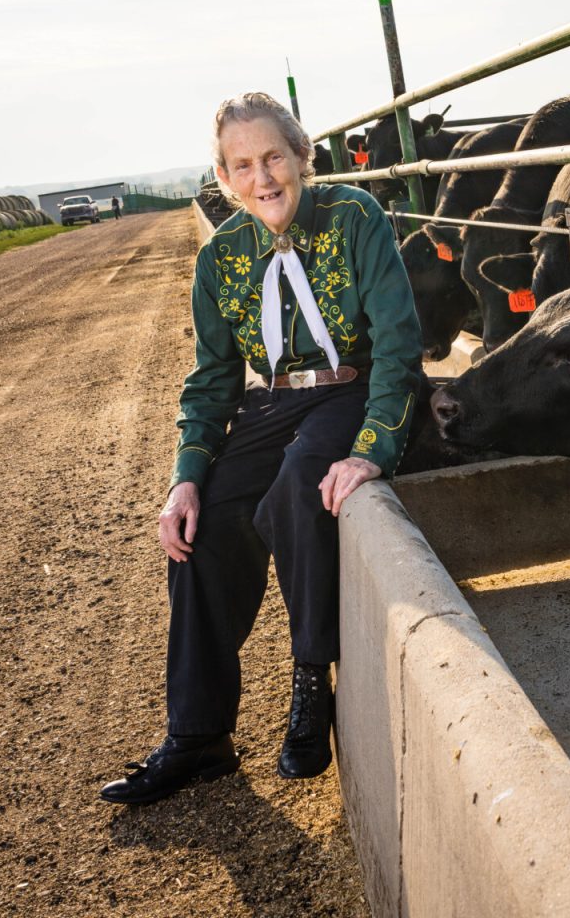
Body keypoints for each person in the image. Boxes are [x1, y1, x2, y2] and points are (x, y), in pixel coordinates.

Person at [101, 92, 426, 805]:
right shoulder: (220, 258)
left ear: (303, 157)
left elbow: (400, 343)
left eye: (273, 156)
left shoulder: (354, 218)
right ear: (224, 179)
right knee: (203, 523)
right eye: (242, 165)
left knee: (303, 479)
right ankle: (198, 735)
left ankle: (312, 679)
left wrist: (373, 446)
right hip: (274, 397)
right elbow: (212, 379)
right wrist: (186, 477)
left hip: (352, 385)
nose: (263, 177)